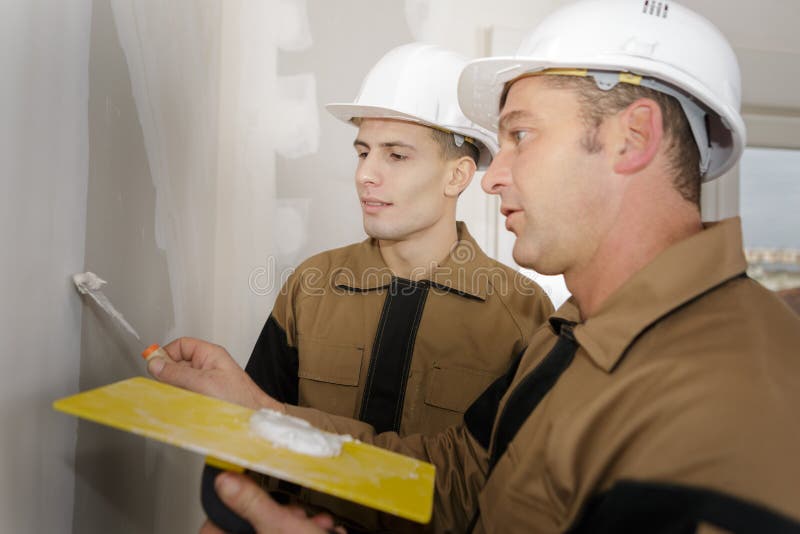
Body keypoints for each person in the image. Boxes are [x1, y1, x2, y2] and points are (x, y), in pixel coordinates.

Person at [150, 1, 800, 532]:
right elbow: (456, 480)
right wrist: (257, 411)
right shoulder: (571, 335)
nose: (496, 177)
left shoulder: (740, 391)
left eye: (520, 135)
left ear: (631, 139)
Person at [194, 42, 552, 533]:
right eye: (363, 152)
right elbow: (246, 436)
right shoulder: (311, 287)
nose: (365, 174)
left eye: (396, 155)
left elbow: (511, 493)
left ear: (458, 175)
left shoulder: (522, 314)